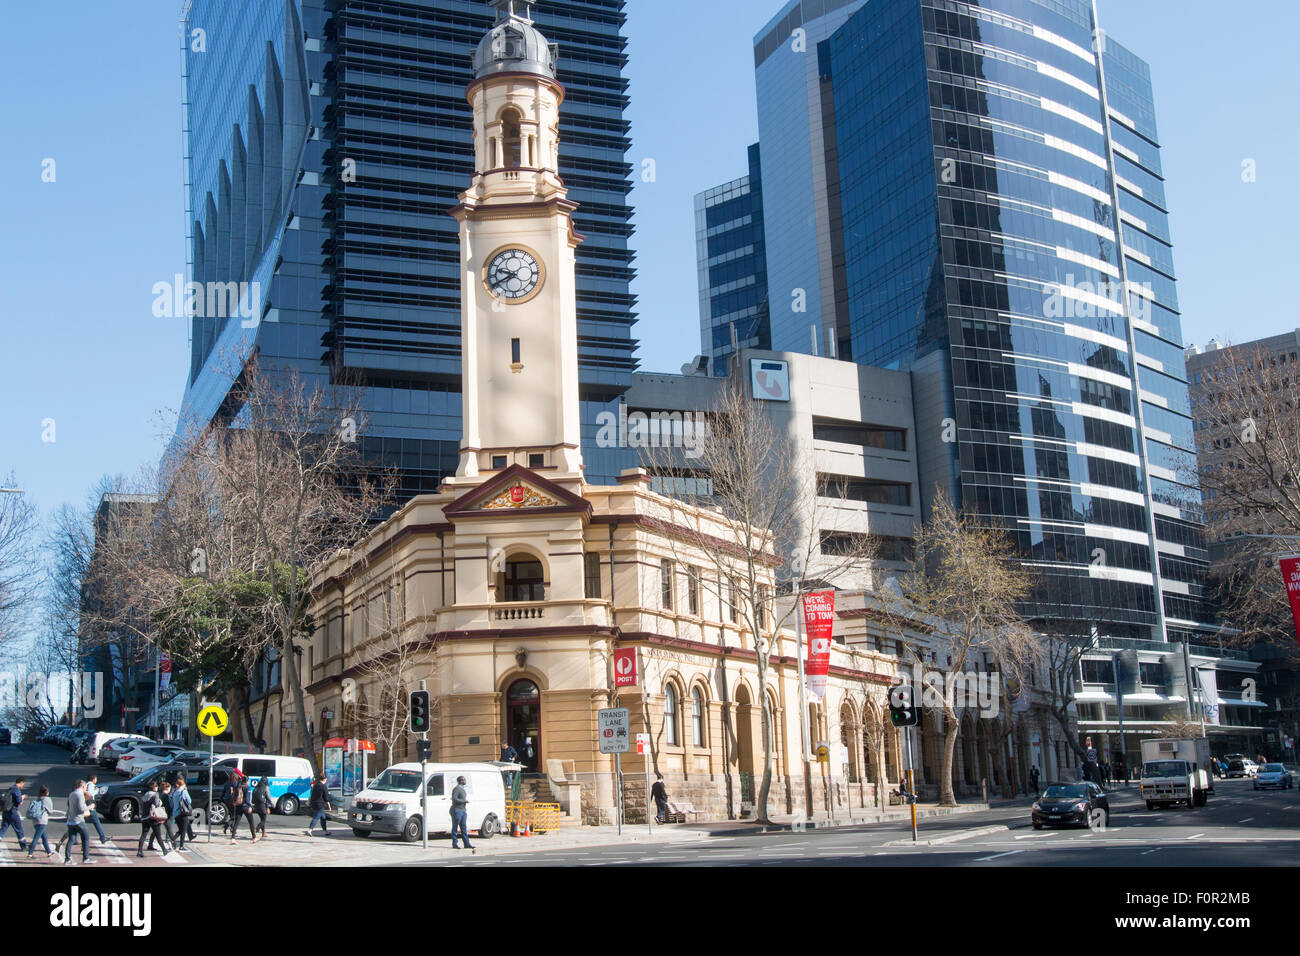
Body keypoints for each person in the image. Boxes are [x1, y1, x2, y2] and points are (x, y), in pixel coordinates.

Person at [136, 780, 171, 857]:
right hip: (153, 817)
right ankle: (164, 850)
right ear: (154, 787)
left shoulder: (146, 794)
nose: (157, 788)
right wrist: (160, 802)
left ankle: (139, 851)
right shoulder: (155, 795)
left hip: (145, 817)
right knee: (158, 835)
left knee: (144, 834)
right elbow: (157, 805)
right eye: (156, 786)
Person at [63, 781, 92, 865]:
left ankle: (67, 859)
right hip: (79, 821)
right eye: (85, 787)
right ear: (82, 786)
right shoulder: (80, 795)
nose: (86, 789)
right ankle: (86, 858)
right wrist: (90, 807)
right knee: (86, 838)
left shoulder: (72, 794)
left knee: (71, 840)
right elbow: (81, 808)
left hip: (71, 821)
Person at [223, 771, 255, 842]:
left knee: (236, 822)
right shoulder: (247, 788)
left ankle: (233, 838)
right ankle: (254, 837)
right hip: (245, 806)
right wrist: (250, 806)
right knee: (251, 822)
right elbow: (247, 799)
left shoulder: (238, 786)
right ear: (247, 781)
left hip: (238, 806)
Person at [25, 785, 55, 860]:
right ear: (47, 793)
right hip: (42, 821)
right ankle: (30, 854)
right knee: (36, 838)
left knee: (44, 837)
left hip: (35, 821)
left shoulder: (38, 799)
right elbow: (50, 811)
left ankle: (49, 852)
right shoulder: (47, 799)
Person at [0, 776, 28, 852]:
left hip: (5, 811)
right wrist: (23, 797)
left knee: (3, 828)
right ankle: (23, 846)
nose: (23, 786)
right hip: (13, 812)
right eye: (23, 784)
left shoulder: (10, 788)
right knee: (19, 830)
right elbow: (19, 801)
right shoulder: (16, 790)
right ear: (21, 782)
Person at [83, 773, 110, 844]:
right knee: (96, 822)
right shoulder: (91, 785)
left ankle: (74, 838)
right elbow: (90, 794)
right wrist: (97, 790)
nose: (96, 780)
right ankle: (102, 837)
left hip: (86, 805)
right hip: (90, 805)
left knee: (81, 822)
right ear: (93, 779)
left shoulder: (86, 785)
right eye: (96, 779)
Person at [171, 776, 194, 852]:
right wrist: (185, 790)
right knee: (183, 830)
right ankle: (181, 845)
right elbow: (189, 801)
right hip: (182, 812)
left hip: (175, 812)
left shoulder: (174, 791)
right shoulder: (183, 791)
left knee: (180, 829)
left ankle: (173, 840)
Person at [306, 772, 332, 836]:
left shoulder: (316, 785)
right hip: (320, 804)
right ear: (325, 779)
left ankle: (325, 831)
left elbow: (312, 794)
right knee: (316, 817)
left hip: (314, 803)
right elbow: (326, 797)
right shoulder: (323, 786)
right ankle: (310, 830)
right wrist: (329, 806)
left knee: (323, 818)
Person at [450, 775, 472, 850]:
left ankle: (467, 844)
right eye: (464, 780)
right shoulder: (457, 789)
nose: (465, 781)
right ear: (460, 781)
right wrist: (463, 801)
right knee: (455, 828)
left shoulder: (463, 789)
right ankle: (455, 843)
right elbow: (454, 798)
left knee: (464, 828)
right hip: (457, 810)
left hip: (463, 810)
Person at [252, 776, 271, 842]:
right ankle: (257, 828)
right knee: (264, 820)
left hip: (256, 805)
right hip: (262, 805)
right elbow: (268, 797)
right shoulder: (266, 787)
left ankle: (263, 833)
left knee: (262, 818)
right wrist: (270, 805)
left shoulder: (257, 786)